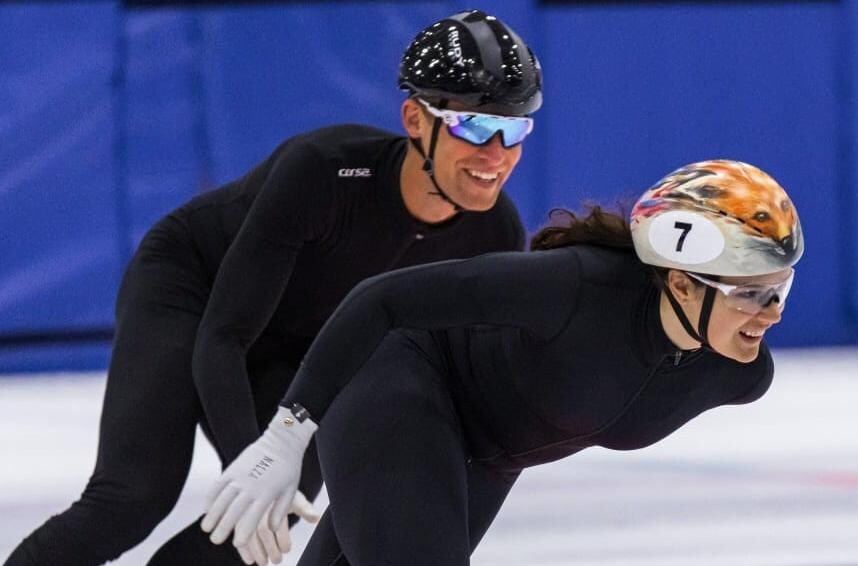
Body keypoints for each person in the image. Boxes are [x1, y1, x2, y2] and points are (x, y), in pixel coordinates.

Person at [6, 9, 541, 566]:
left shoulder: (495, 232)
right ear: (414, 118)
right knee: (133, 496)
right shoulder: (325, 172)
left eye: (517, 128)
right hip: (193, 291)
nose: (497, 154)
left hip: (294, 343)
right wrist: (251, 459)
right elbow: (224, 335)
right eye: (476, 127)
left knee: (266, 516)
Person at [199, 159, 805, 565]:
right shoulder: (579, 288)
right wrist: (285, 437)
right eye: (751, 293)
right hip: (399, 378)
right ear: (680, 283)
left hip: (487, 456)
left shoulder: (738, 373)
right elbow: (379, 299)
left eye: (781, 288)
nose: (772, 313)